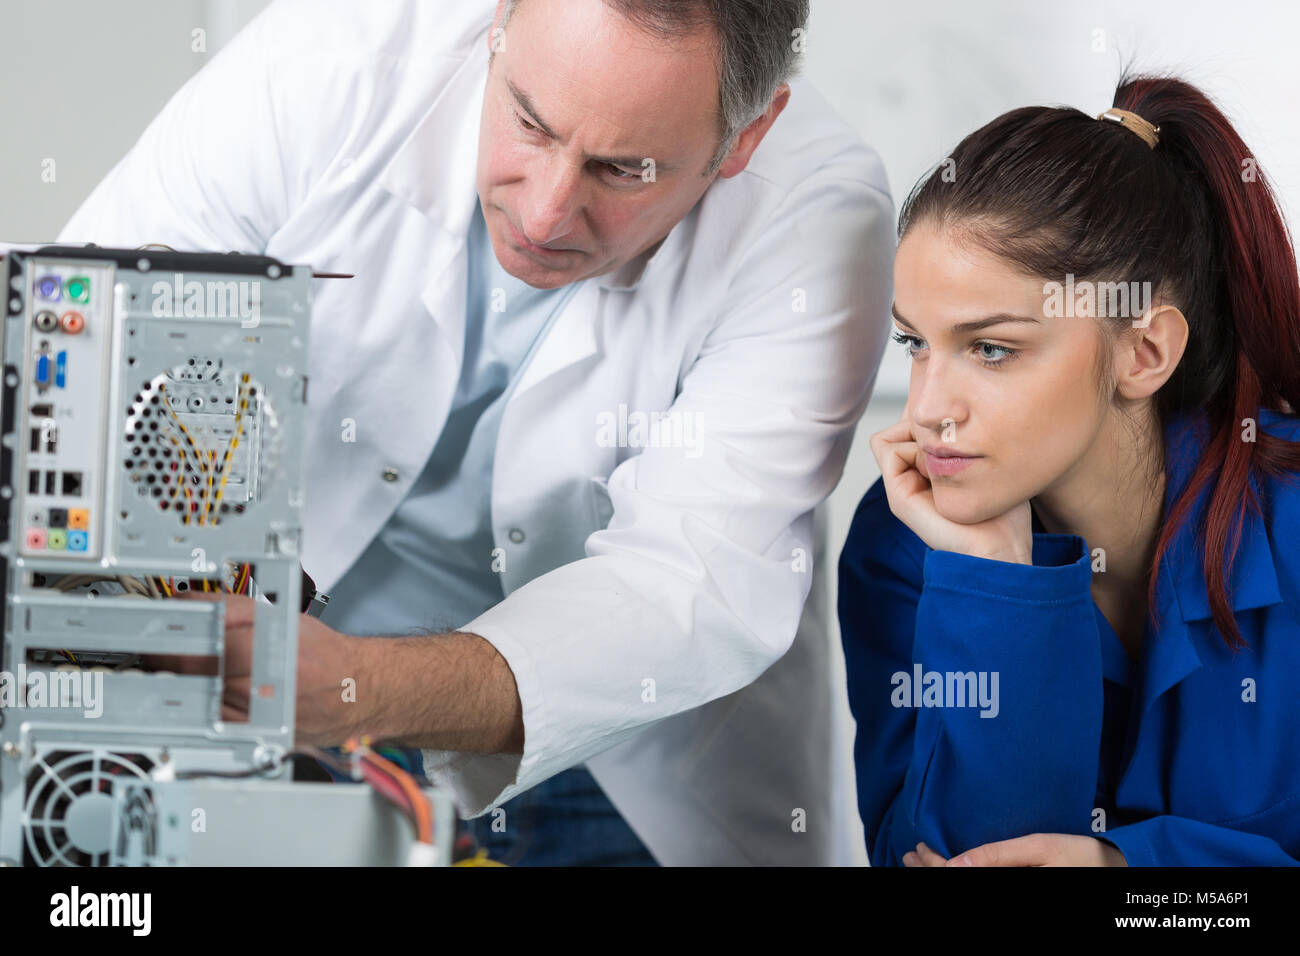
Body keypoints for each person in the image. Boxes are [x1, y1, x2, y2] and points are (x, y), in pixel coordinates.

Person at [57, 0, 895, 864]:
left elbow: (687, 581)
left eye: (621, 170)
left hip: (627, 743)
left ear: (746, 138)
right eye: (529, 122)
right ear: (499, 18)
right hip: (283, 674)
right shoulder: (333, 53)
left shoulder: (813, 216)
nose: (545, 214)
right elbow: (98, 345)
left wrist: (359, 687)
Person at [838, 74, 1300, 866]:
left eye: (991, 348)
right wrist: (992, 582)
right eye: (915, 343)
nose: (926, 411)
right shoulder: (903, 543)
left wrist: (1135, 876)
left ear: (1144, 352)